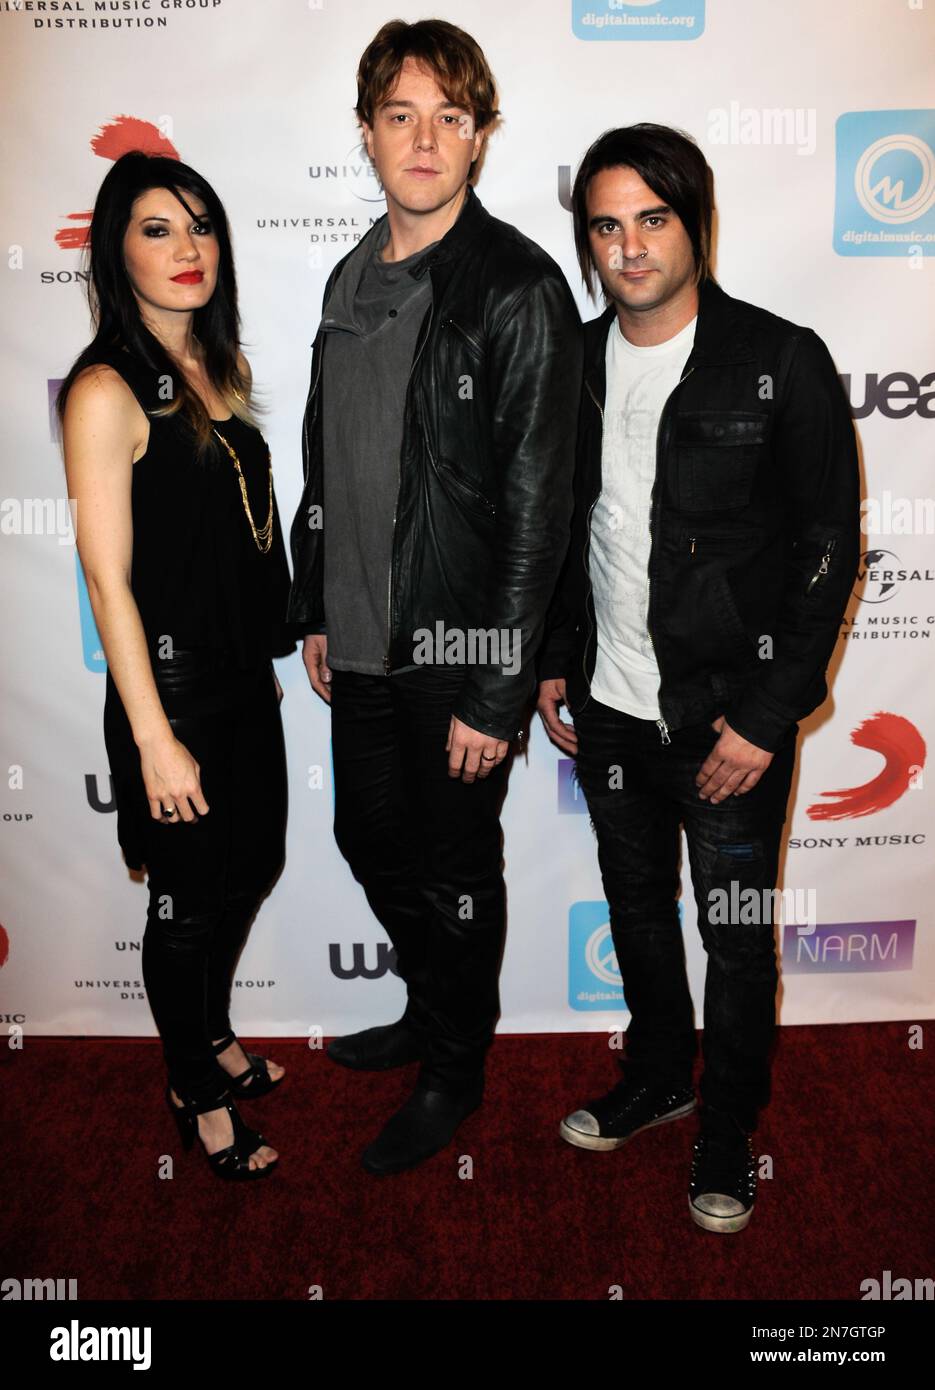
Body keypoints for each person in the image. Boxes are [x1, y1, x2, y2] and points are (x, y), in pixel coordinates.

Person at [537, 124, 860, 1232]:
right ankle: (659, 1076)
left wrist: (766, 718)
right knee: (634, 909)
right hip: (610, 712)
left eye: (651, 219)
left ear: (693, 221)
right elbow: (555, 530)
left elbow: (827, 550)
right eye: (605, 225)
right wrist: (548, 665)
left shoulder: (779, 358)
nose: (628, 247)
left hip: (725, 719)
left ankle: (727, 1131)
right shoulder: (571, 364)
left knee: (730, 932)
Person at [287, 19, 582, 1174]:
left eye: (448, 117)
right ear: (365, 132)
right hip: (357, 634)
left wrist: (497, 688)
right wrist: (316, 603)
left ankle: (455, 1066)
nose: (423, 138)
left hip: (459, 653)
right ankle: (432, 1004)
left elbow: (537, 507)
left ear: (480, 136)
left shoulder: (515, 287)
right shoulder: (347, 274)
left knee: (456, 870)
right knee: (369, 835)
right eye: (399, 114)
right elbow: (330, 456)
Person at [59, 151, 295, 1181]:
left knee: (253, 866)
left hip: (241, 680)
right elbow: (108, 580)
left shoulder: (215, 367)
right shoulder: (107, 388)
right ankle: (193, 1087)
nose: (187, 246)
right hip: (174, 697)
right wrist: (156, 742)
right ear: (118, 250)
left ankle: (212, 1033)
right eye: (157, 228)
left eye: (200, 224)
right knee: (188, 904)